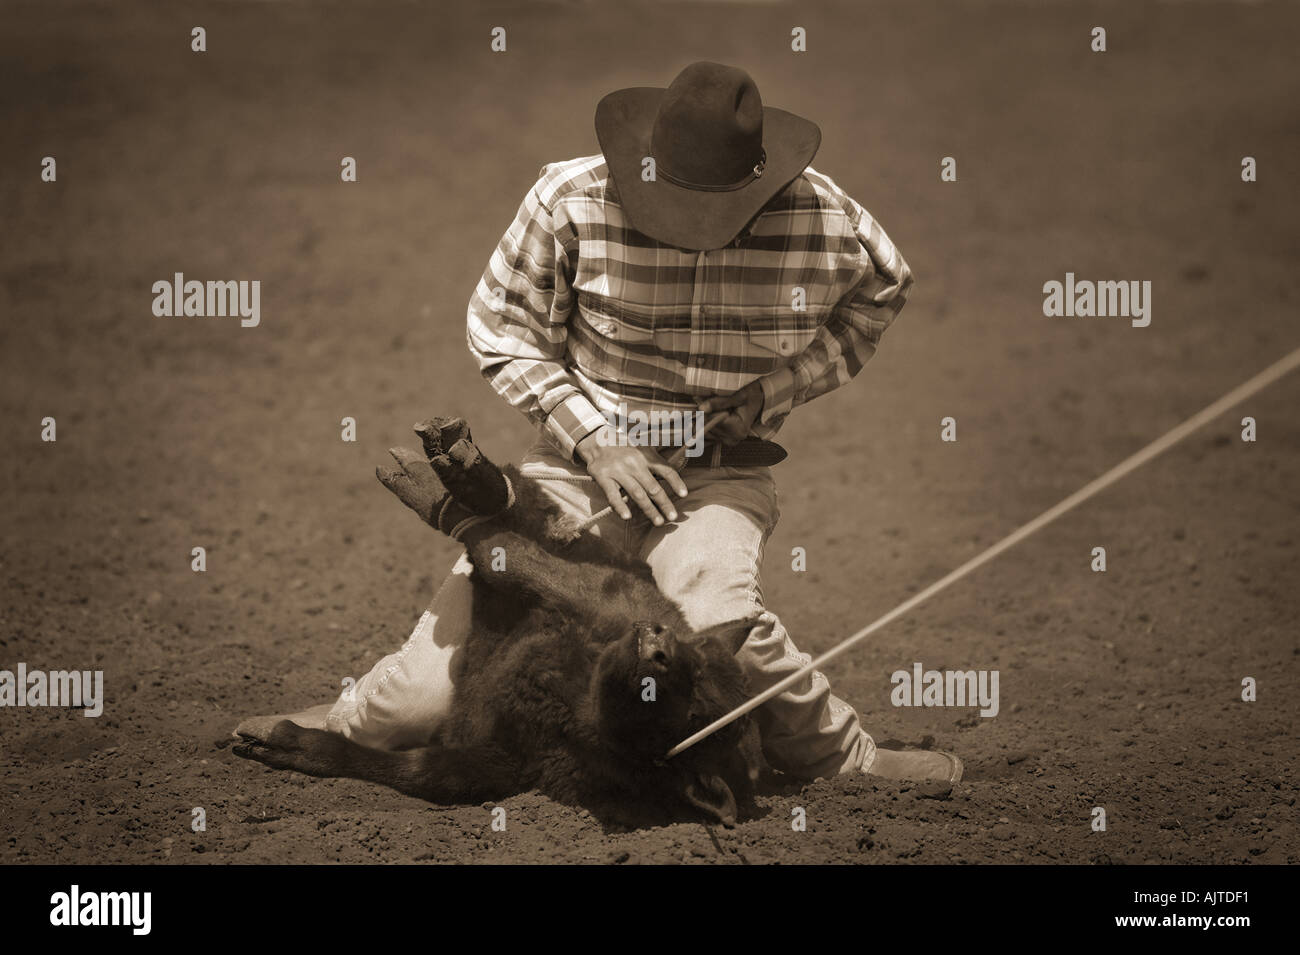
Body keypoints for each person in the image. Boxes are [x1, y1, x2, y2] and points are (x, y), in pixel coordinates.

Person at [238, 61, 961, 785]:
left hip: (715, 478)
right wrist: (596, 438)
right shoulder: (571, 199)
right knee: (415, 705)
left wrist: (775, 390)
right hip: (573, 474)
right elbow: (501, 327)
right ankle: (351, 717)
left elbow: (882, 293)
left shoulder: (827, 221)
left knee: (713, 624)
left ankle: (850, 759)